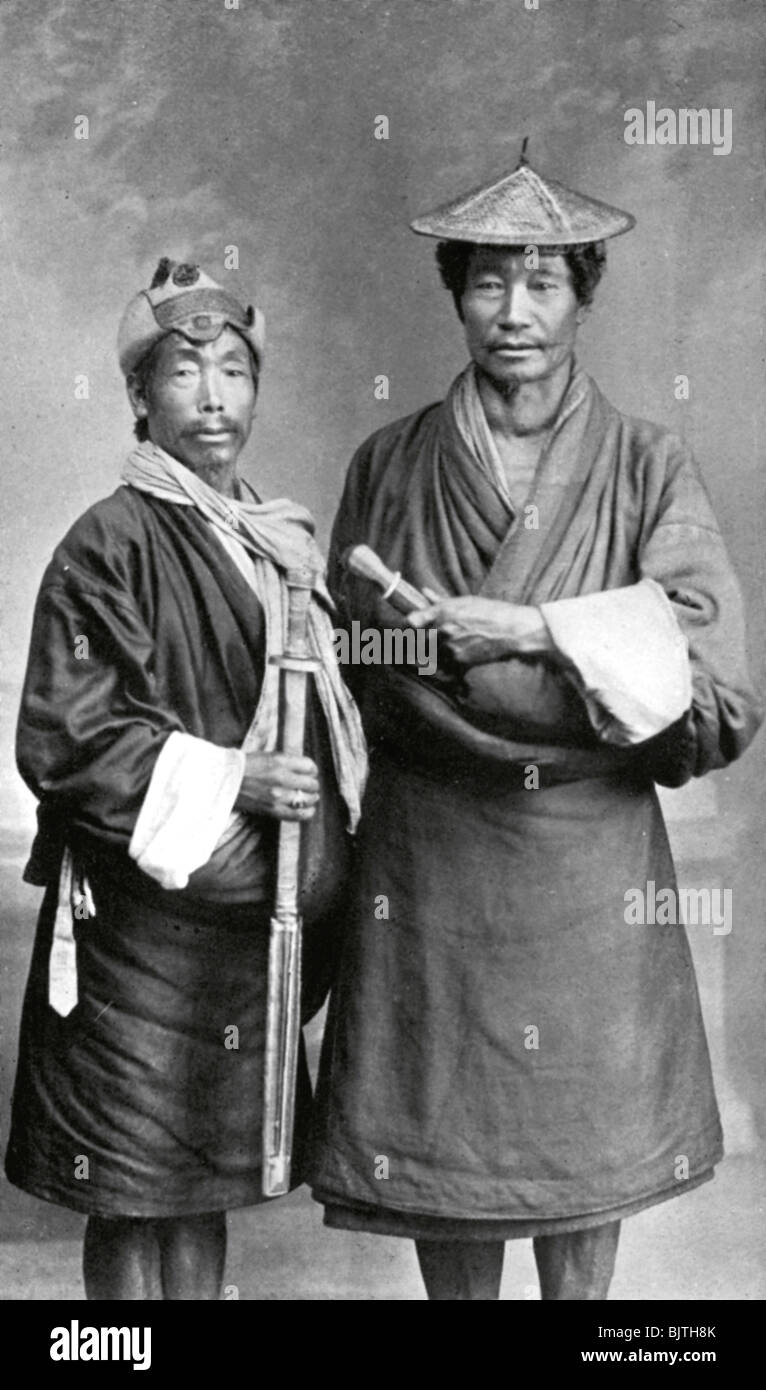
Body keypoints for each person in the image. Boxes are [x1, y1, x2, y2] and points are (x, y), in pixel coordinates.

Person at [308, 151, 763, 1299]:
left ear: (584, 295)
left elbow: (716, 689)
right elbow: (349, 661)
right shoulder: (391, 463)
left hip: (584, 864)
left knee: (581, 1149)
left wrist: (532, 633)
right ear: (454, 292)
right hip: (434, 860)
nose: (514, 313)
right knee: (446, 1147)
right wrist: (423, 644)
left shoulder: (646, 463)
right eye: (488, 283)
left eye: (545, 283)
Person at [5, 258, 366, 1300]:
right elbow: (65, 737)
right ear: (138, 397)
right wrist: (236, 779)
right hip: (134, 926)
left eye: (235, 371)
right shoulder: (105, 544)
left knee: (203, 1187)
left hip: (237, 931)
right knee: (125, 1186)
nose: (213, 396)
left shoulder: (279, 546)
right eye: (184, 372)